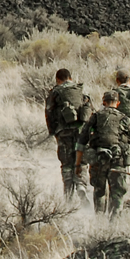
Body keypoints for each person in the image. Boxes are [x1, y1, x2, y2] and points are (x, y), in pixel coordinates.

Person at [76, 88, 130, 215]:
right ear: (118, 103)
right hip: (118, 160)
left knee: (99, 191)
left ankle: (100, 220)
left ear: (104, 102)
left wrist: (78, 164)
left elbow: (81, 141)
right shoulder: (125, 119)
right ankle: (114, 221)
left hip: (99, 160)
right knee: (117, 193)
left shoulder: (95, 117)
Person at [44, 68, 92, 199]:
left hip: (63, 132)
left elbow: (49, 112)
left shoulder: (55, 92)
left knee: (66, 162)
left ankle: (68, 194)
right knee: (81, 160)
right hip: (81, 131)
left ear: (58, 79)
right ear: (70, 77)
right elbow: (90, 110)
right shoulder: (81, 90)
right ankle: (81, 185)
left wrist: (53, 132)